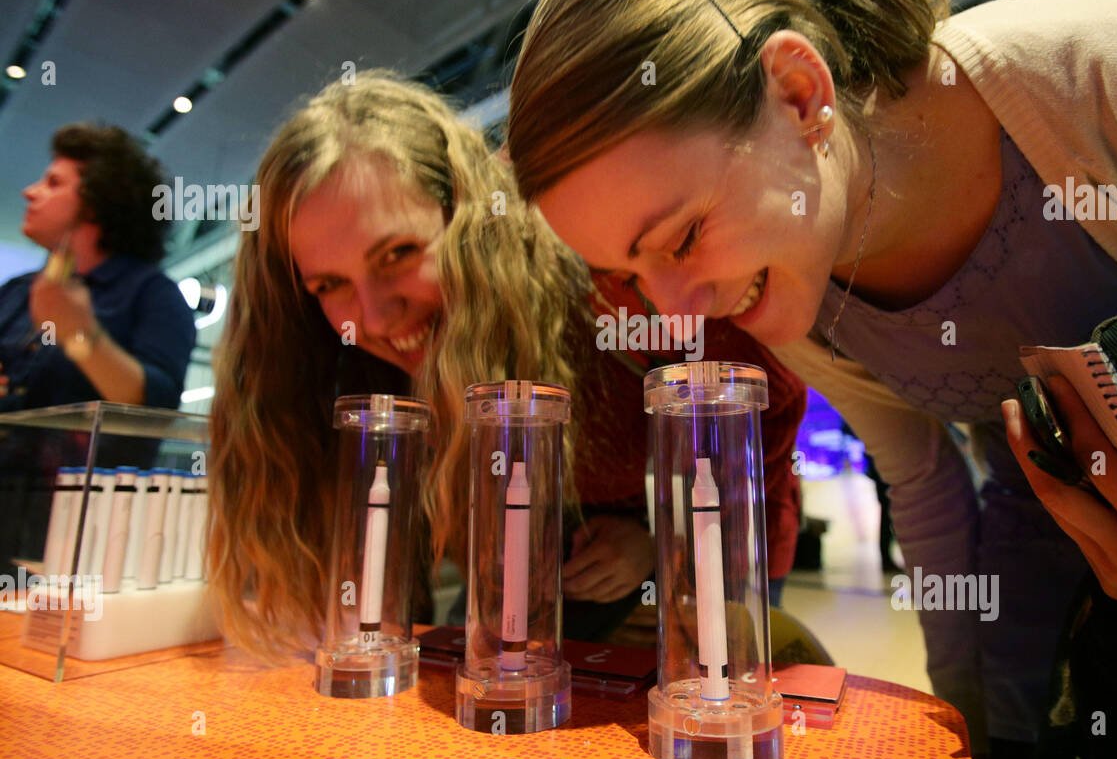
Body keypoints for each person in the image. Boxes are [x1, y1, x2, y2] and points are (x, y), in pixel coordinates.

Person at [504, 0, 1117, 759]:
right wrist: (961, 731)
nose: (677, 311)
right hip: (1065, 572)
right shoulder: (790, 299)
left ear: (800, 94)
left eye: (685, 236)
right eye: (630, 273)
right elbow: (924, 482)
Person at [205, 71, 805, 662]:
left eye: (399, 253)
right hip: (535, 571)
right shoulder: (356, 368)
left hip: (713, 552)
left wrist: (667, 546)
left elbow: (769, 395)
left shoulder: (602, 284)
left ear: (468, 224)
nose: (379, 316)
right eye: (330, 284)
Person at [0, 123, 195, 411]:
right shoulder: (17, 290)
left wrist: (79, 334)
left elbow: (157, 407)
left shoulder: (154, 295)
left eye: (54, 183)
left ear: (96, 202)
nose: (30, 192)